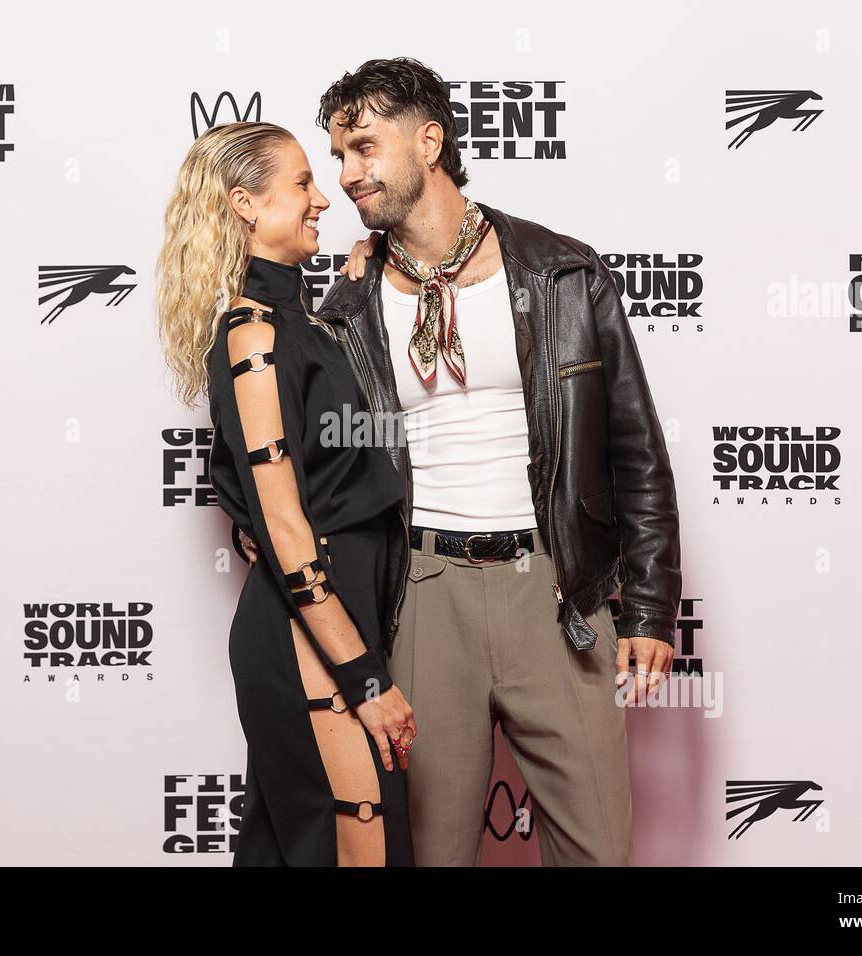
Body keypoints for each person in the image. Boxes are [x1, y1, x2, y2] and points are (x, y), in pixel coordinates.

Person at [242, 57, 682, 866]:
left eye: (365, 149)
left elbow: (636, 447)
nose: (346, 177)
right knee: (433, 853)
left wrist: (651, 609)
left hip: (556, 592)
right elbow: (290, 449)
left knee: (599, 851)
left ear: (430, 141)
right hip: (422, 595)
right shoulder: (344, 307)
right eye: (337, 158)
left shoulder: (561, 272)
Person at [156, 121, 416, 867]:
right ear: (245, 204)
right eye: (302, 184)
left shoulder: (298, 325)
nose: (322, 200)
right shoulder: (254, 336)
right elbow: (284, 527)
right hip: (311, 631)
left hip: (342, 613)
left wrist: (354, 285)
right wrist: (365, 679)